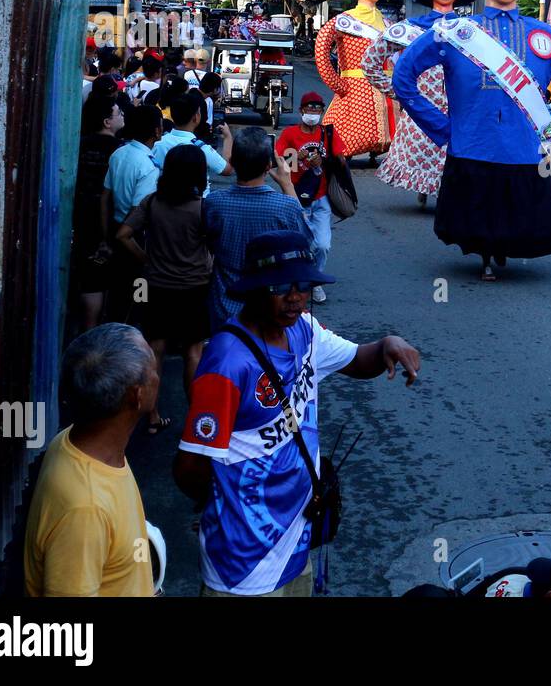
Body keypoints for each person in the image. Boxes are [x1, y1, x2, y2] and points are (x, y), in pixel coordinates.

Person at [173, 231, 422, 596]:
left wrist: (388, 344)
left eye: (303, 285)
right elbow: (189, 467)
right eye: (280, 287)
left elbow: (356, 359)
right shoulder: (227, 363)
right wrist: (229, 505)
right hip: (243, 567)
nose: (294, 297)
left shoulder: (304, 329)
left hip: (296, 542)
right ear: (255, 289)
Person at [392, 0, 551, 282]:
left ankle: (501, 249)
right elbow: (403, 77)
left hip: (523, 146)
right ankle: (486, 254)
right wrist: (440, 126)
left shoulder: (542, 35)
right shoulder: (457, 32)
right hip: (471, 142)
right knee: (479, 206)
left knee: (517, 207)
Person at [24, 324, 159, 596]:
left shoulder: (78, 442)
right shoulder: (85, 508)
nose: (158, 375)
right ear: (138, 395)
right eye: (154, 370)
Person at [115, 144, 212, 415]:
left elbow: (122, 235)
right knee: (193, 352)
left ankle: (152, 414)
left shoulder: (153, 202)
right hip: (195, 287)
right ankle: (196, 417)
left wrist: (146, 259)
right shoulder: (202, 208)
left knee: (154, 349)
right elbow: (214, 244)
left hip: (155, 285)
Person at [368, 0, 479, 204]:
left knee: (459, 151)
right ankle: (427, 186)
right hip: (423, 105)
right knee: (429, 149)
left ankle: (447, 192)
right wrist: (400, 92)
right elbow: (370, 63)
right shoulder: (410, 28)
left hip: (461, 105)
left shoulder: (471, 30)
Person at [203, 128, 308, 329]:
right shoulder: (286, 206)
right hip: (270, 307)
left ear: (233, 162)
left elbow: (207, 241)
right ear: (269, 166)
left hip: (224, 306)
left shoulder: (214, 203)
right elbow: (305, 241)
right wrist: (288, 185)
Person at [314, 0, 395, 159]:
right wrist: (337, 83)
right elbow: (321, 48)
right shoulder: (345, 20)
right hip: (355, 90)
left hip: (386, 90)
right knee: (345, 142)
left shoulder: (388, 23)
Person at [275, 92, 345, 302]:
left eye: (317, 110)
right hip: (296, 197)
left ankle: (314, 280)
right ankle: (305, 279)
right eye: (310, 109)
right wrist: (297, 156)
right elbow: (279, 163)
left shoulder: (328, 134)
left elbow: (341, 161)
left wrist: (323, 162)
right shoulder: (289, 134)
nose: (313, 113)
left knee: (322, 244)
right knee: (303, 242)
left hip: (321, 197)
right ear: (301, 111)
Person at [102, 105, 163, 323]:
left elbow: (105, 197)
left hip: (115, 228)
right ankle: (133, 331)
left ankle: (118, 328)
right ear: (156, 131)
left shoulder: (119, 153)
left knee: (118, 294)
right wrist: (145, 257)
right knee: (139, 292)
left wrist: (105, 235)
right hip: (135, 238)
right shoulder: (147, 165)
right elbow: (140, 211)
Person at [73, 95, 124, 330]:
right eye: (117, 113)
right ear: (106, 122)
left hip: (79, 216)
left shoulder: (78, 143)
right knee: (100, 279)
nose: (121, 115)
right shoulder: (120, 151)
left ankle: (88, 327)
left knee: (89, 276)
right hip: (111, 221)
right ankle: (95, 329)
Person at [152, 93, 233, 193]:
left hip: (164, 199)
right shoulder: (201, 148)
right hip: (197, 203)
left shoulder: (158, 143)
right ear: (196, 117)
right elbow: (227, 169)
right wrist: (228, 138)